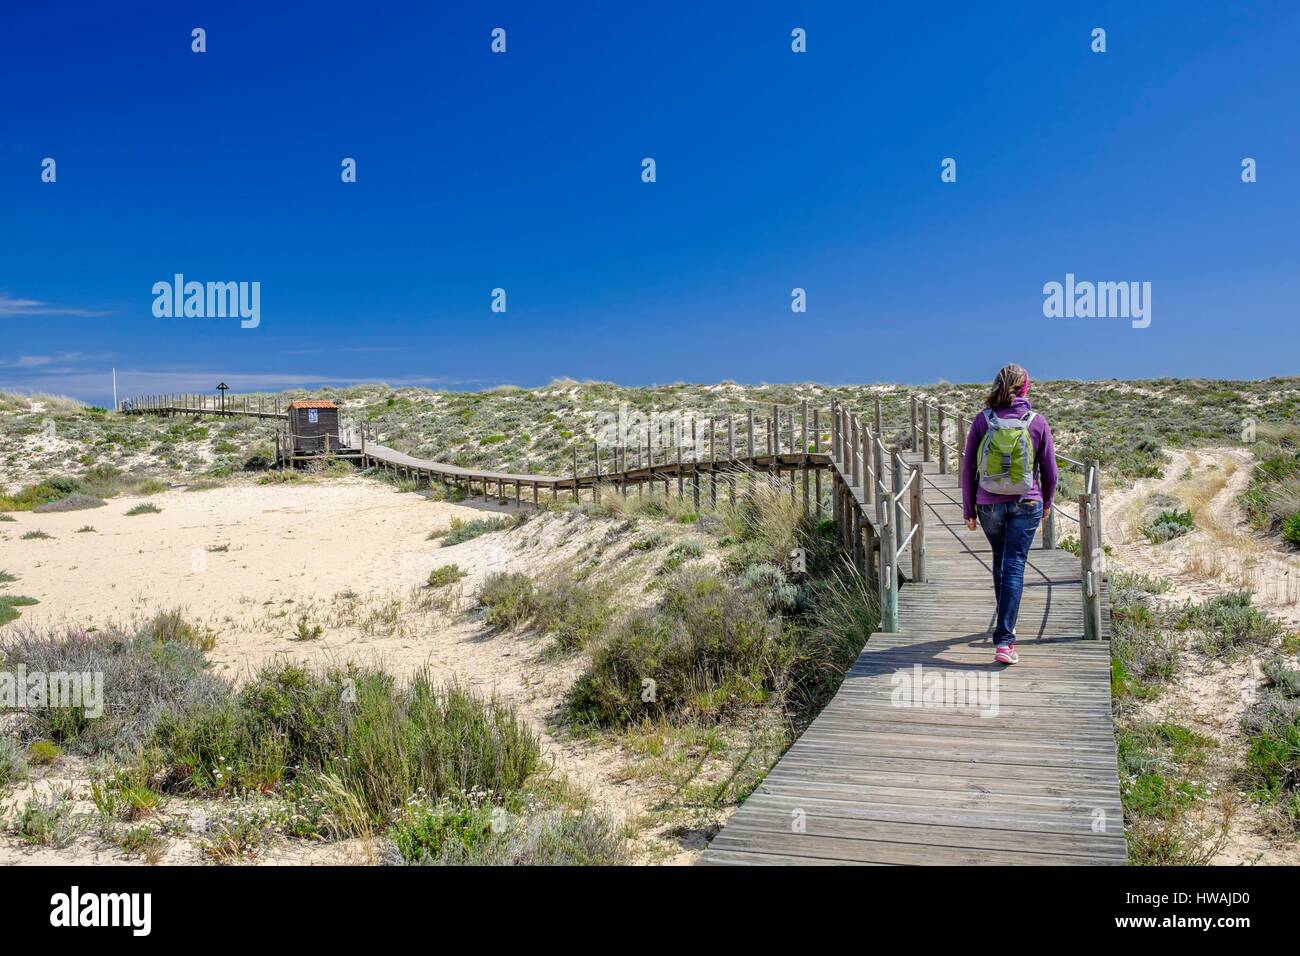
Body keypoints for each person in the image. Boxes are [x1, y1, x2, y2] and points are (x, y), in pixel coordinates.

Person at [960, 364, 1057, 665]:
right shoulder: (1036, 422)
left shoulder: (982, 420)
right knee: (1014, 565)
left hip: (988, 503)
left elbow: (967, 470)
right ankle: (1005, 640)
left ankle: (1004, 634)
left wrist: (968, 508)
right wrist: (1047, 502)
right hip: (1026, 501)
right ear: (1026, 388)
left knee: (1001, 562)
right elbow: (1051, 471)